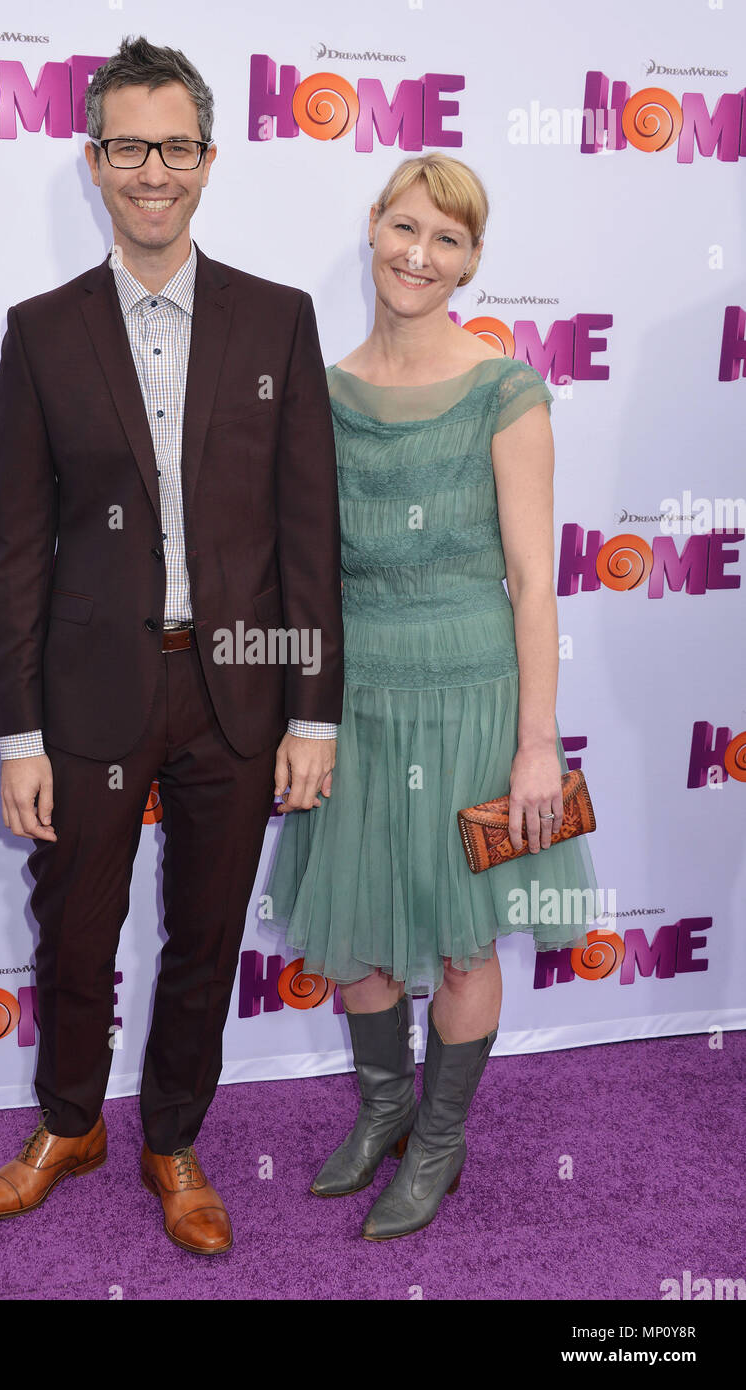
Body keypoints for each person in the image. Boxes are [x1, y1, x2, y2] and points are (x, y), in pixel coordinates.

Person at [0, 35, 343, 1256]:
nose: (153, 171)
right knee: (75, 928)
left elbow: (307, 534)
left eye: (176, 146)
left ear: (209, 159)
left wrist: (314, 713)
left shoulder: (278, 321)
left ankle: (173, 1139)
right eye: (128, 147)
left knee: (206, 934)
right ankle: (69, 1124)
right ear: (94, 161)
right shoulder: (43, 332)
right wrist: (18, 734)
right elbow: (18, 549)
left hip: (238, 690)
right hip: (88, 694)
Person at [265, 152, 600, 1241]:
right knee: (357, 925)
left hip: (472, 697)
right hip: (355, 697)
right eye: (404, 227)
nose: (418, 254)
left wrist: (538, 742)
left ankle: (441, 1142)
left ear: (470, 261)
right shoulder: (319, 395)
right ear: (371, 228)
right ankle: (385, 1111)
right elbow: (299, 573)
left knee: (463, 941)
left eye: (446, 239)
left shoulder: (505, 390)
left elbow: (534, 582)